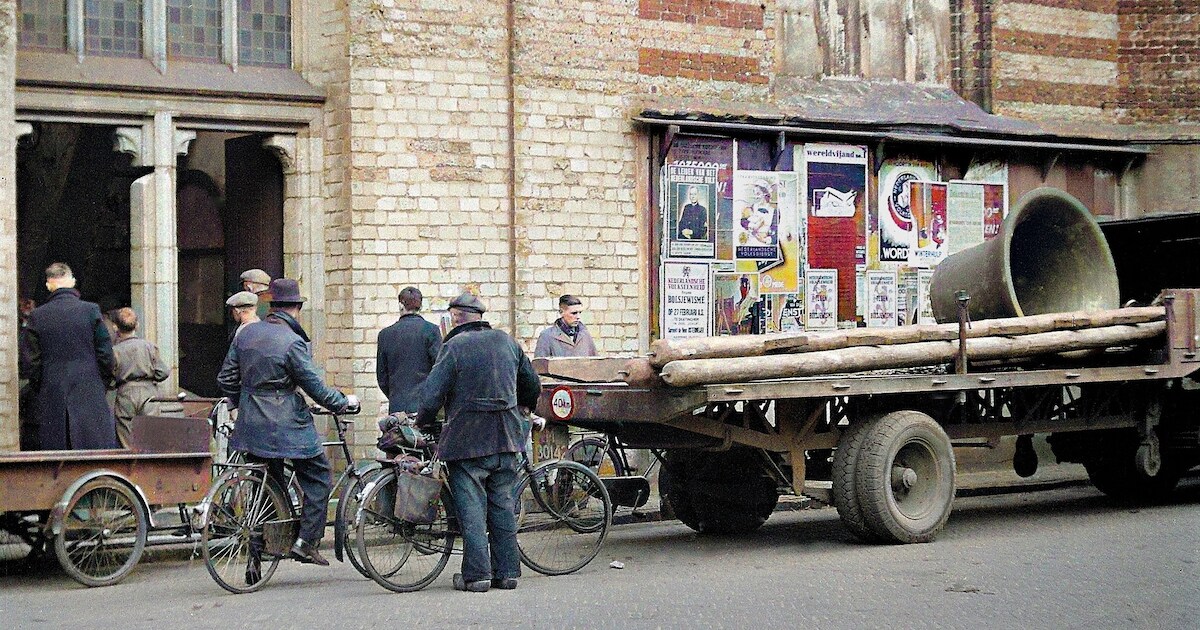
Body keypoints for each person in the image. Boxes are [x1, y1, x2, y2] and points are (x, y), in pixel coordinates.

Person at [218, 277, 358, 570]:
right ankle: (306, 542)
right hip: (287, 425)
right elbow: (315, 388)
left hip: (251, 424)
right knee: (319, 477)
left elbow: (226, 379)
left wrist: (244, 401)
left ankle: (256, 560)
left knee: (266, 489)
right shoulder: (292, 343)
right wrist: (342, 402)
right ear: (295, 308)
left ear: (271, 306)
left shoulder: (246, 335)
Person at [416, 292, 541, 593]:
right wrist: (523, 407)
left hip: (468, 441)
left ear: (456, 317)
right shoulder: (507, 342)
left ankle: (477, 576)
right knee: (502, 505)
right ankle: (508, 573)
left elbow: (432, 394)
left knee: (471, 507)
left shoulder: (454, 347)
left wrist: (423, 420)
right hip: (508, 438)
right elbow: (532, 385)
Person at [20, 263, 118, 450]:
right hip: (90, 391)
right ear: (72, 282)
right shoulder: (91, 311)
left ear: (48, 285)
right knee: (94, 451)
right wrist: (101, 383)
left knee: (57, 453)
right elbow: (105, 354)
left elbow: (30, 362)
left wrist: (44, 385)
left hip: (52, 393)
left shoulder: (37, 316)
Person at [110, 307, 171, 448]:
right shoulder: (149, 347)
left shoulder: (114, 351)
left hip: (125, 392)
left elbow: (110, 377)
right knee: (151, 435)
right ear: (137, 325)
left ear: (115, 327)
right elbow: (164, 372)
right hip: (149, 393)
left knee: (126, 437)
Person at [376, 286, 442, 414]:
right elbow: (438, 370)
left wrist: (396, 396)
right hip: (425, 408)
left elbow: (382, 377)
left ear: (401, 305)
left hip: (398, 407)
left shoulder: (385, 334)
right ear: (420, 306)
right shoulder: (431, 331)